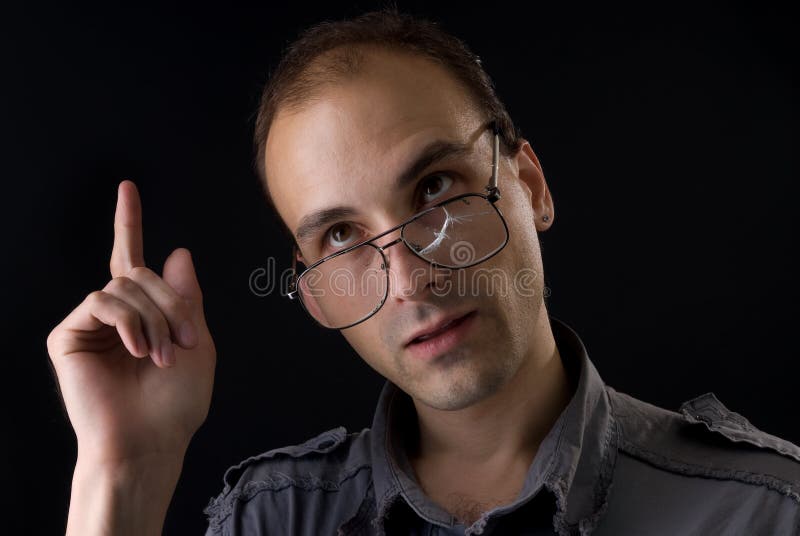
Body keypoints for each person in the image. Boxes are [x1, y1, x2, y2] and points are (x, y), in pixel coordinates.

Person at [46, 8, 799, 536]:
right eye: (341, 235)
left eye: (435, 187)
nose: (408, 279)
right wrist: (124, 474)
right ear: (310, 292)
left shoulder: (765, 512)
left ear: (529, 185)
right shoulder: (269, 520)